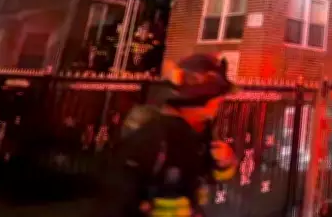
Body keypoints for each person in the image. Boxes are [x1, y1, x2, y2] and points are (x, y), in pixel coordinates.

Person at [92, 53, 238, 217]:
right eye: (217, 99)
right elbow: (116, 200)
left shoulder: (200, 134)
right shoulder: (152, 137)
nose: (219, 106)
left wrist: (224, 163)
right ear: (201, 99)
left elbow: (207, 175)